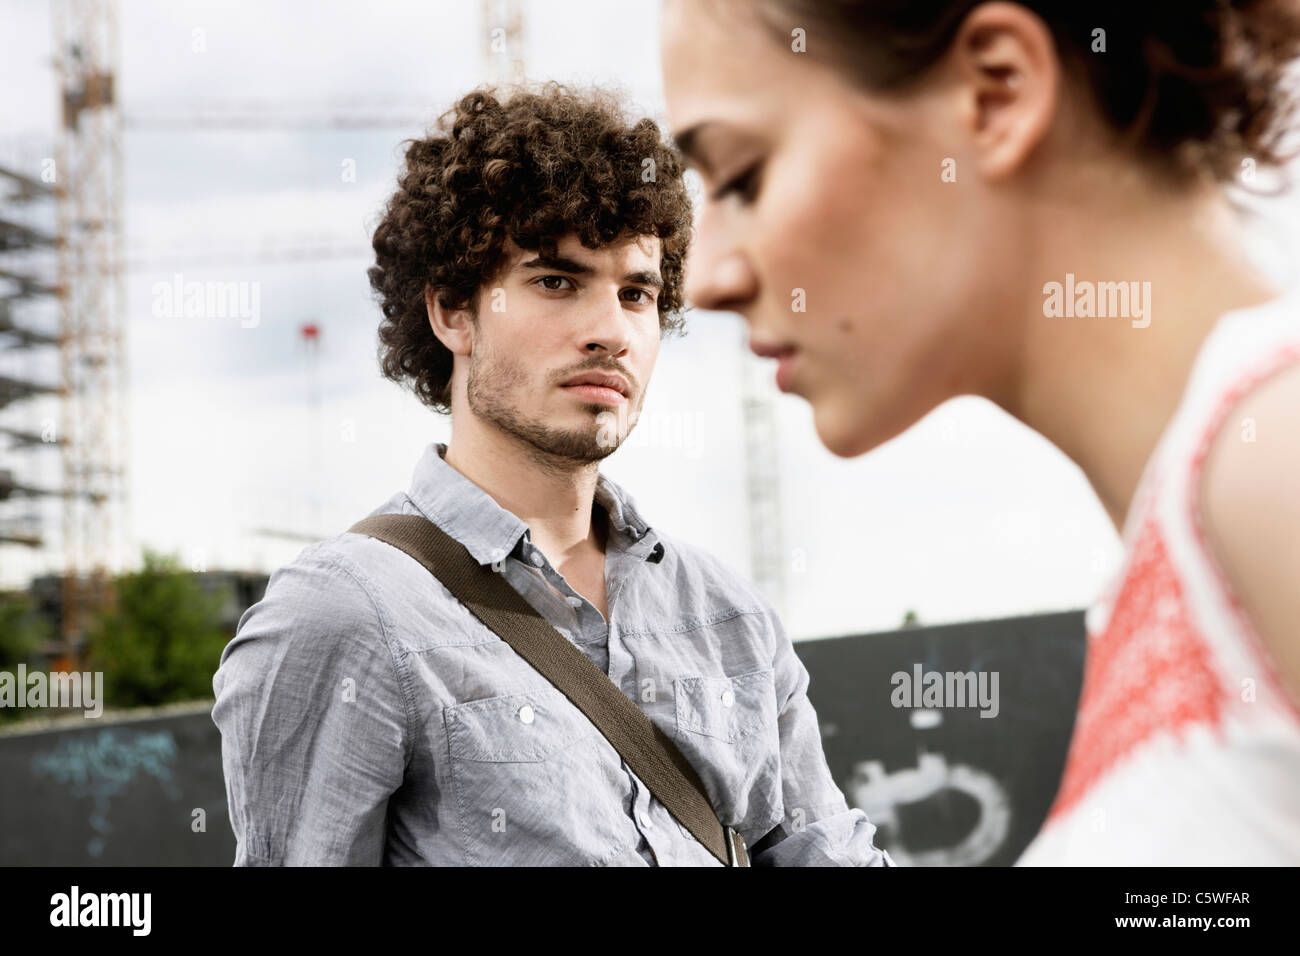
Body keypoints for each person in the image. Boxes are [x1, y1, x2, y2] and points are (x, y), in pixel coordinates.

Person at [660, 0, 1300, 864]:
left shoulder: (1273, 459)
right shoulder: (1201, 528)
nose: (703, 279)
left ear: (996, 93)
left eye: (742, 177)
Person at [211, 81, 892, 866]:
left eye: (636, 293)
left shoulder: (729, 616)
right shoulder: (347, 616)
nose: (610, 332)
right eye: (557, 282)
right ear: (453, 313)